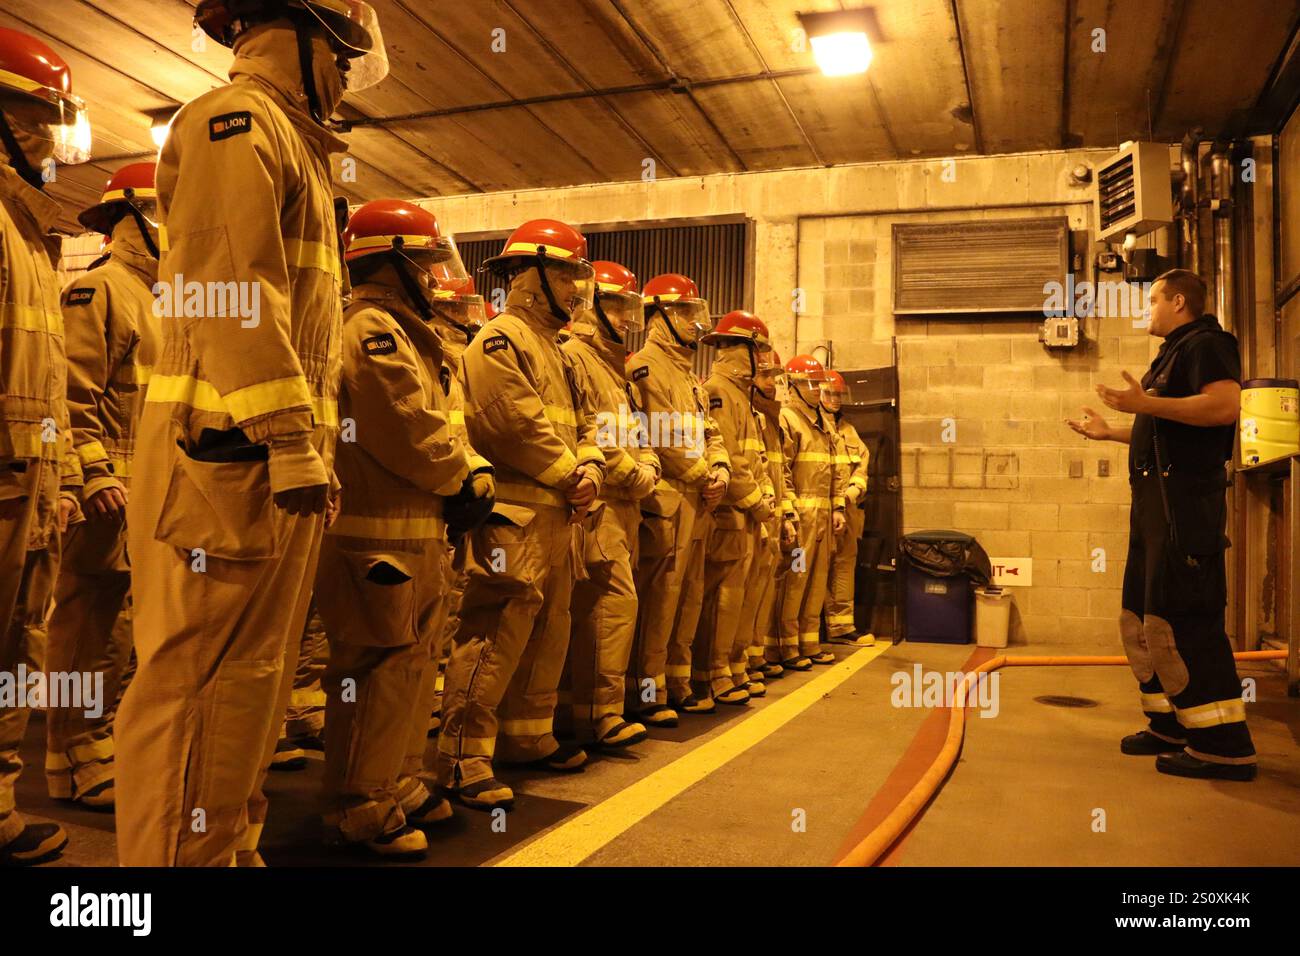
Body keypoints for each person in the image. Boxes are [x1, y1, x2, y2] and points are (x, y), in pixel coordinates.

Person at [114, 0, 390, 866]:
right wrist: (287, 436)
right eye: (341, 60)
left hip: (250, 462)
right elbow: (227, 286)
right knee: (200, 688)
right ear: (304, 40)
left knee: (249, 689)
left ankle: (224, 849)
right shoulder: (236, 123)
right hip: (225, 459)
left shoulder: (290, 146)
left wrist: (298, 443)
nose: (346, 79)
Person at [314, 198, 482, 858]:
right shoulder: (371, 331)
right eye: (428, 261)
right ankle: (358, 802)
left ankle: (398, 780)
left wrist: (464, 473)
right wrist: (464, 477)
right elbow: (405, 425)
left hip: (414, 531)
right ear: (394, 262)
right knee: (375, 670)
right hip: (375, 535)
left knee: (412, 668)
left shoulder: (407, 331)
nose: (438, 276)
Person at [435, 219, 606, 811]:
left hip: (561, 512)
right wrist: (572, 475)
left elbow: (587, 423)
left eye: (576, 274)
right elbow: (509, 420)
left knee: (549, 628)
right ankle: (462, 755)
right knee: (494, 633)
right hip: (517, 517)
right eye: (565, 272)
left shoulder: (562, 354)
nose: (577, 287)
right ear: (528, 275)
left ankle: (527, 736)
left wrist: (590, 467)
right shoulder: (499, 339)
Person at [1067, 268, 1256, 781]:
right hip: (1154, 509)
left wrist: (1146, 403)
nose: (1146, 310)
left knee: (1185, 623)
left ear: (1178, 301)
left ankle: (1223, 748)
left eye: (1152, 301)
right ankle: (1171, 725)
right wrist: (1113, 433)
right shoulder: (1173, 353)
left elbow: (1222, 408)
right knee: (1143, 620)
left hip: (1184, 510)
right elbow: (1167, 432)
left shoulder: (1208, 344)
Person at [0, 25, 90, 867]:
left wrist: (55, 474)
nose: (48, 141)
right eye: (36, 119)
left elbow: (43, 382)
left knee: (17, 652)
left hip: (24, 490)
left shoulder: (26, 231)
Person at [45, 162, 161, 810]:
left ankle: (97, 747)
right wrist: (91, 471)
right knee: (84, 626)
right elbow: (70, 394)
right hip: (106, 492)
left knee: (116, 630)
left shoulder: (157, 297)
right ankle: (71, 754)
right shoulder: (100, 290)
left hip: (141, 493)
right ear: (134, 217)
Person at [562, 261, 659, 747]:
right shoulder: (577, 357)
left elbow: (639, 434)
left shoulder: (611, 366)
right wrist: (636, 473)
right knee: (611, 605)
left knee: (610, 606)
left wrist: (647, 468)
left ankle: (592, 710)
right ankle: (599, 714)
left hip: (626, 505)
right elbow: (592, 433)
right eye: (617, 304)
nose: (625, 316)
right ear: (591, 301)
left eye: (628, 306)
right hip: (601, 506)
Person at [627, 274, 730, 722]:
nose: (695, 322)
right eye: (686, 312)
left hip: (699, 500)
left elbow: (710, 432)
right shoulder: (644, 367)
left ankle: (677, 682)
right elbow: (657, 434)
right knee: (661, 599)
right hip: (668, 502)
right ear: (662, 315)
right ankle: (647, 694)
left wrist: (720, 469)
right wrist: (701, 474)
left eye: (695, 312)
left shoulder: (688, 375)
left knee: (688, 597)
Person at [695, 311, 776, 705]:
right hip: (728, 512)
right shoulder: (719, 392)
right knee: (722, 596)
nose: (761, 360)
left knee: (737, 596)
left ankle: (728, 666)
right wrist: (758, 504)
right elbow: (726, 454)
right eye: (756, 350)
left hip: (742, 511)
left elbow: (754, 459)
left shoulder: (739, 396)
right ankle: (711, 673)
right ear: (739, 349)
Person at [776, 355, 845, 670]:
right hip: (802, 517)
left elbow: (835, 470)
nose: (817, 389)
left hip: (823, 520)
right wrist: (789, 510)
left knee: (818, 581)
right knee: (795, 579)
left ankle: (809, 641)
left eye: (819, 383)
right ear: (793, 384)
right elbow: (783, 472)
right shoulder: (787, 418)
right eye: (810, 383)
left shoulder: (825, 422)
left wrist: (839, 505)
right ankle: (786, 647)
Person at [742, 349, 797, 683]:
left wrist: (786, 514)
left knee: (762, 590)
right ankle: (739, 661)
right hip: (752, 514)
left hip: (772, 514)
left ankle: (753, 655)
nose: (772, 384)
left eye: (775, 377)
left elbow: (783, 472)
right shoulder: (751, 414)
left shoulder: (773, 419)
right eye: (765, 376)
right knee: (744, 594)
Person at [820, 369, 874, 646]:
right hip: (818, 511)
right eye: (830, 393)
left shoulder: (848, 431)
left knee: (843, 567)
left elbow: (861, 468)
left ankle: (841, 627)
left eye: (839, 394)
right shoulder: (810, 427)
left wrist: (849, 496)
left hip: (847, 510)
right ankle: (804, 633)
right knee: (809, 569)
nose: (836, 399)